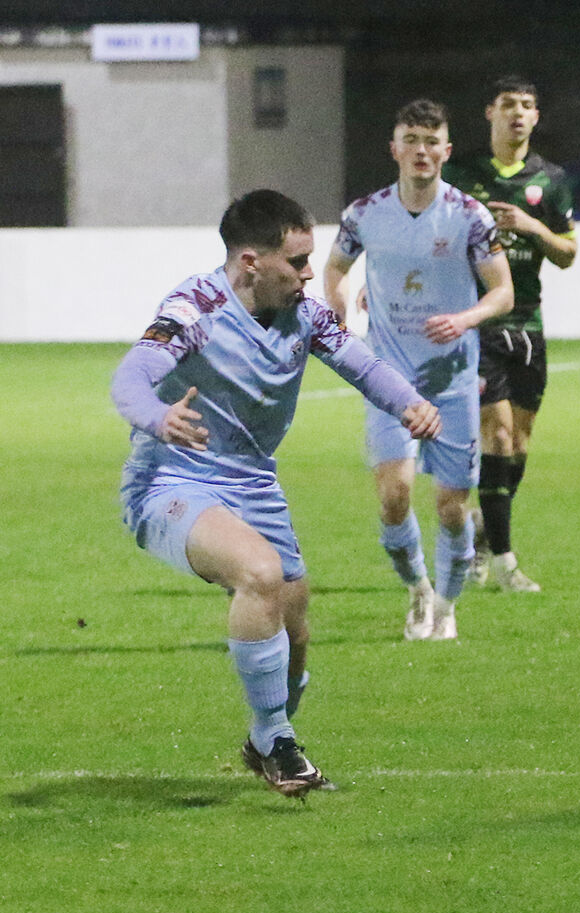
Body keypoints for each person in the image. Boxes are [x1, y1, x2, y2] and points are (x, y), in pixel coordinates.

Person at [112, 189, 441, 798]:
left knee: (293, 627)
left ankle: (267, 737)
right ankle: (280, 744)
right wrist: (158, 420)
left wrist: (411, 404)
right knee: (259, 574)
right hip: (172, 480)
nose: (310, 273)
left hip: (253, 480)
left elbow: (364, 367)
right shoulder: (195, 308)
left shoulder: (305, 315)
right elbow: (131, 376)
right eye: (297, 261)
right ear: (250, 262)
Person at [323, 99, 514, 641]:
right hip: (389, 379)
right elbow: (334, 267)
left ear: (446, 151)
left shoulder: (469, 217)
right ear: (395, 149)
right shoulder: (365, 213)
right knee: (394, 495)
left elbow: (503, 291)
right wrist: (337, 305)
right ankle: (418, 592)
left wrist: (465, 318)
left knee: (452, 507)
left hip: (452, 380)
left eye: (432, 142)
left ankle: (448, 607)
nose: (422, 151)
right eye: (411, 139)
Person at [443, 75, 577, 592]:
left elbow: (567, 255)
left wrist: (531, 226)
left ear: (536, 117)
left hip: (529, 324)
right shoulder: (461, 176)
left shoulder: (552, 180)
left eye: (526, 106)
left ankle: (481, 530)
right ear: (489, 113)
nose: (517, 114)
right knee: (496, 435)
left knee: (517, 444)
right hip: (479, 322)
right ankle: (503, 561)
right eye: (507, 105)